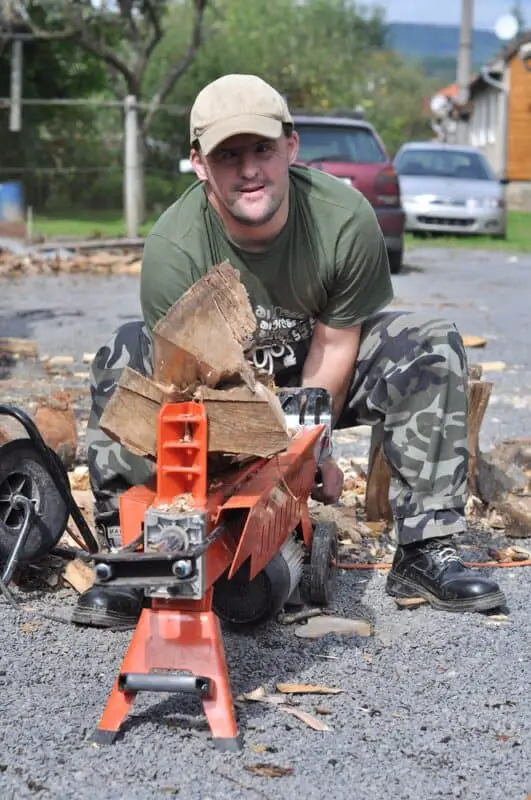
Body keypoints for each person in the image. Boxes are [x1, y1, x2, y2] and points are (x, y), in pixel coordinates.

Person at [72, 74, 505, 628]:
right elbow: (187, 394)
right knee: (126, 349)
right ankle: (134, 555)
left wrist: (312, 451)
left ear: (291, 148)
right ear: (199, 162)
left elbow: (336, 341)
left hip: (316, 374)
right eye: (228, 155)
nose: (249, 169)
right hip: (219, 397)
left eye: (262, 149)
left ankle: (425, 549)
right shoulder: (173, 249)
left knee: (428, 342)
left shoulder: (344, 221)